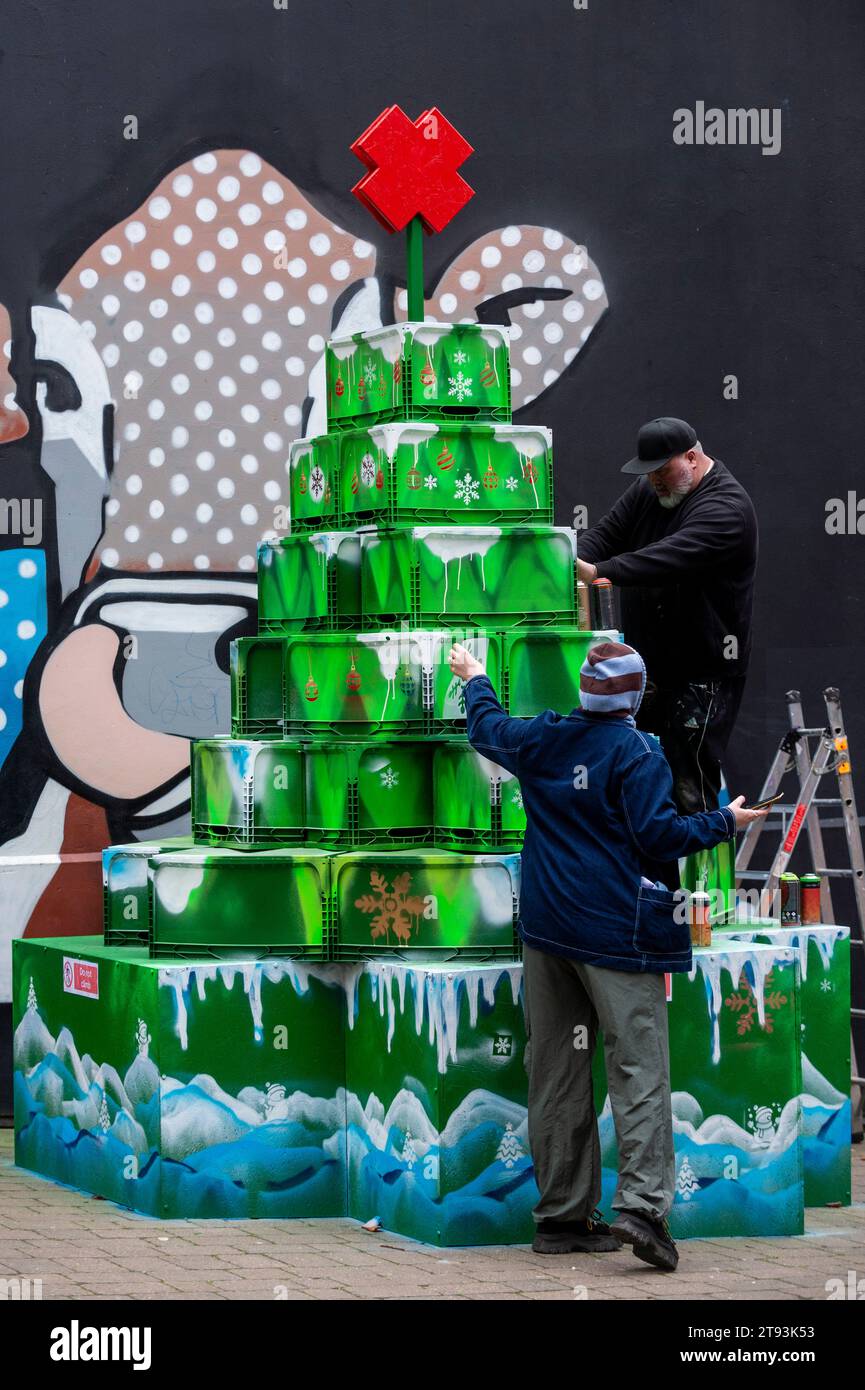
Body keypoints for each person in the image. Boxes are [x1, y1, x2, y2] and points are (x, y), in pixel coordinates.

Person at [447, 637, 768, 1272]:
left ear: (585, 691)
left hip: (547, 934)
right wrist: (725, 822)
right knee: (637, 1069)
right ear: (635, 698)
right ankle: (644, 1209)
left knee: (558, 1075)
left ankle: (562, 1219)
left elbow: (485, 728)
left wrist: (475, 675)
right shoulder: (637, 752)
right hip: (618, 937)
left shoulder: (541, 739)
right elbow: (659, 835)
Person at [576, 417, 758, 821]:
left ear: (692, 458)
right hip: (649, 670)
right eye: (650, 472)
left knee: (689, 790)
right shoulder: (651, 488)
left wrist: (598, 571)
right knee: (636, 784)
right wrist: (572, 559)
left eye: (663, 470)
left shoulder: (727, 508)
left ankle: (699, 884)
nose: (655, 481)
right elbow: (605, 533)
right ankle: (648, 885)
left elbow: (667, 559)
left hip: (702, 676)